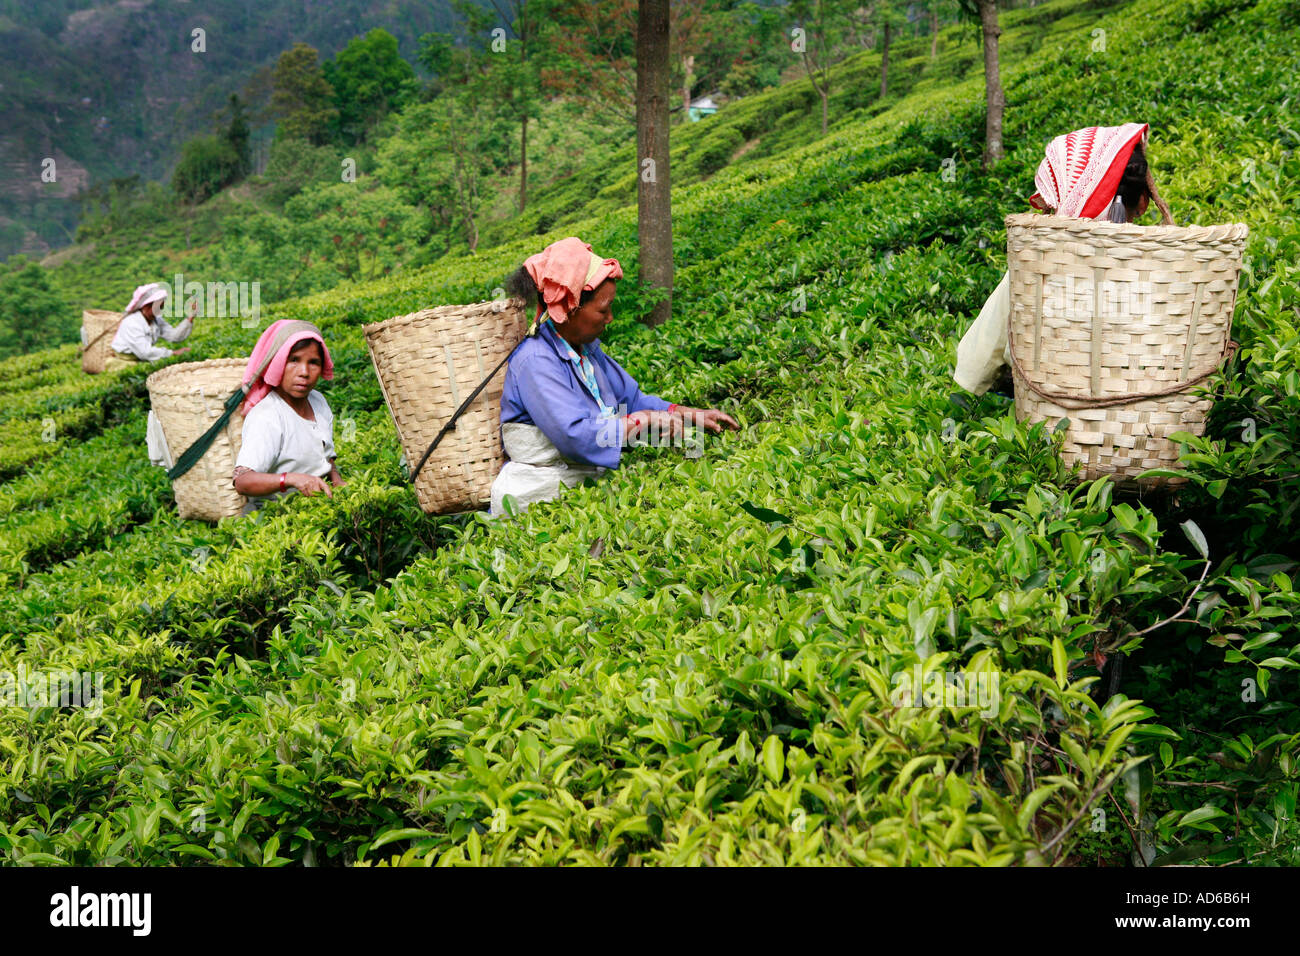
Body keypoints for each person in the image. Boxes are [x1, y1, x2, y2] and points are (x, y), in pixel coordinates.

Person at [489, 236, 740, 515]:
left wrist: (689, 414)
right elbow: (576, 436)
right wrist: (644, 422)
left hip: (578, 490)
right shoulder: (536, 361)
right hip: (534, 502)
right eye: (603, 310)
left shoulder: (586, 352)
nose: (609, 319)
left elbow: (631, 400)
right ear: (570, 308)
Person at [953, 122, 1172, 396]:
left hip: (1052, 412)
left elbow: (978, 360)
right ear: (1143, 202)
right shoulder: (1163, 262)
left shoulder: (1040, 263)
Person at [231, 319, 345, 514]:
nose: (304, 372)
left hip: (315, 510)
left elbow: (326, 454)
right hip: (274, 518)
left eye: (313, 363)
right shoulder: (267, 416)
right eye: (294, 360)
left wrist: (337, 480)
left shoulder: (318, 401)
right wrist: (290, 479)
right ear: (277, 363)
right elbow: (242, 481)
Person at [106, 281, 193, 372]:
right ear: (145, 306)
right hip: (126, 361)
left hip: (141, 358)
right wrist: (173, 353)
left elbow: (174, 336)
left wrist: (190, 317)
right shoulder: (132, 323)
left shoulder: (156, 320)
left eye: (161, 308)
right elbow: (145, 352)